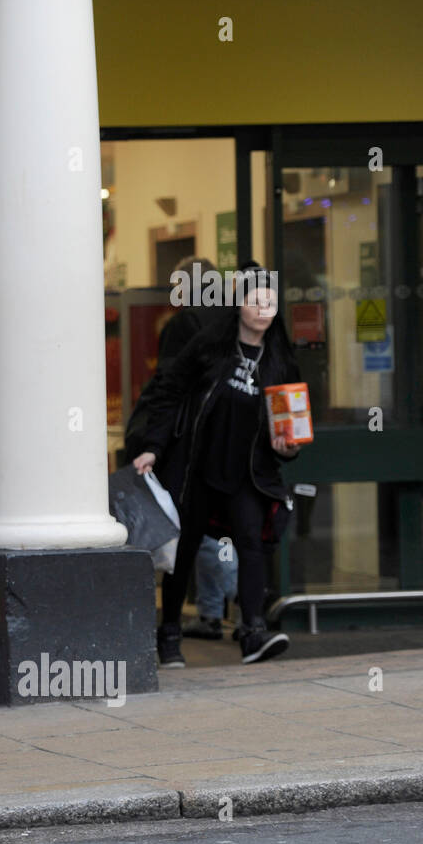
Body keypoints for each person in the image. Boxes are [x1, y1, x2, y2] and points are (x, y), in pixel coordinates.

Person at [131, 267, 299, 667]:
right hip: (196, 466)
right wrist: (153, 446)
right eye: (255, 300)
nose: (263, 309)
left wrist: (287, 448)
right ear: (239, 303)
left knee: (251, 545)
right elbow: (169, 389)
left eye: (270, 302)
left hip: (248, 473)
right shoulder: (209, 346)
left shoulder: (279, 360)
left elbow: (289, 424)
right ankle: (168, 634)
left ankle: (254, 632)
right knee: (183, 550)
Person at [128, 255, 241, 640]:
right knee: (230, 531)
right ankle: (239, 616)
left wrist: (153, 443)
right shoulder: (237, 322)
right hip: (230, 444)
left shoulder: (183, 326)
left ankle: (172, 632)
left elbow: (168, 388)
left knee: (187, 535)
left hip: (190, 447)